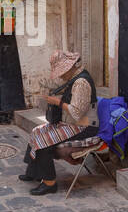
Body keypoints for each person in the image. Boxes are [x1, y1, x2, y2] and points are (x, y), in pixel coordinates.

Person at [21, 49, 100, 194]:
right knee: (36, 131)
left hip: (84, 126)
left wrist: (58, 102)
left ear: (69, 68)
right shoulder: (74, 80)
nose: (61, 76)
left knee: (44, 140)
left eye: (62, 72)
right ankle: (33, 172)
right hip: (73, 123)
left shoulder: (81, 82)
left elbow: (76, 112)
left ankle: (50, 183)